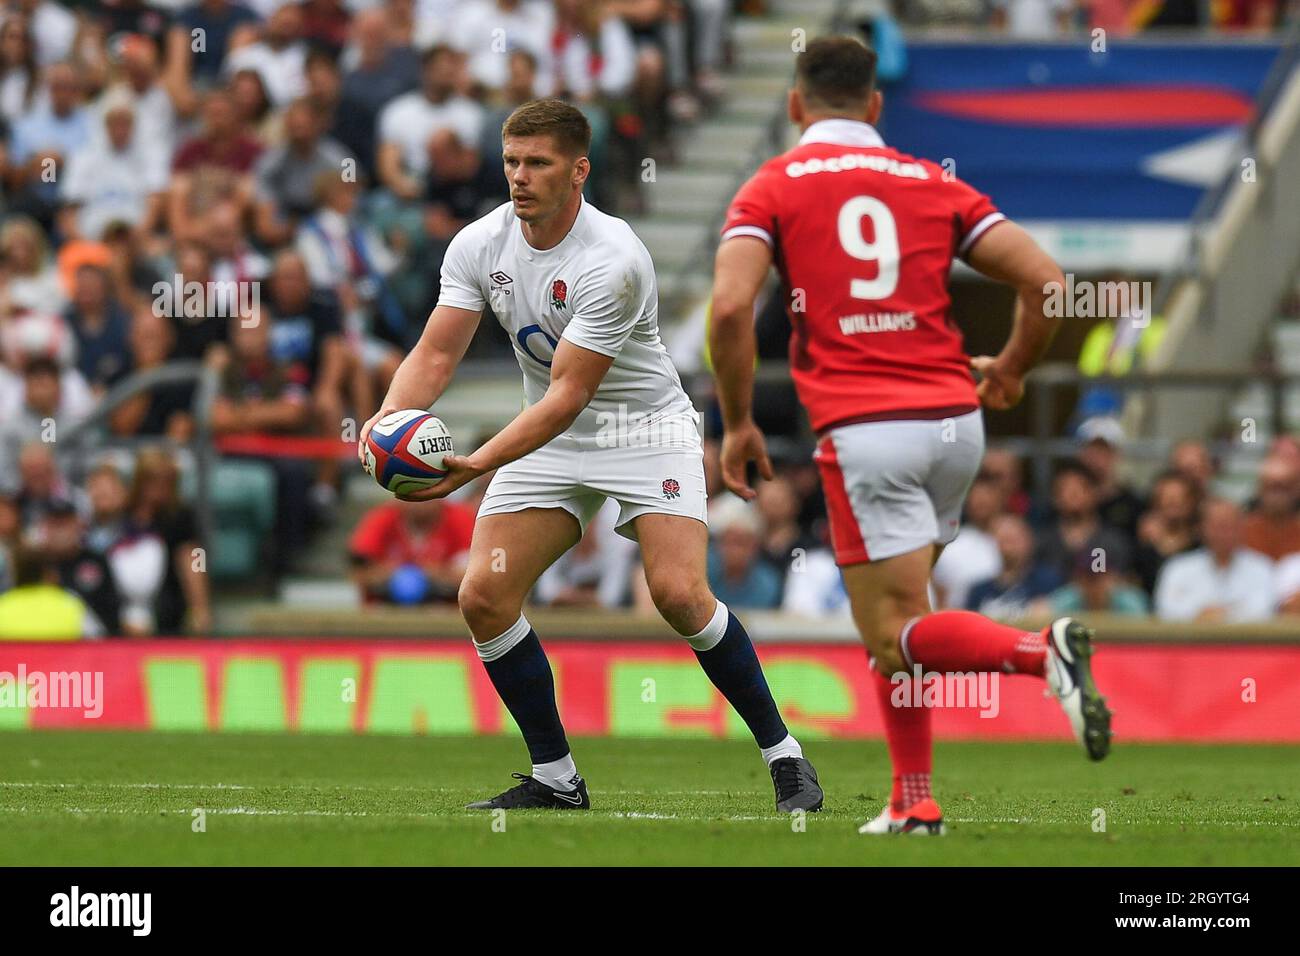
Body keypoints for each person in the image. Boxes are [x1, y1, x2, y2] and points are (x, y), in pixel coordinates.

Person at [357, 97, 821, 814]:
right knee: (483, 595)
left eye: (537, 163)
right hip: (554, 436)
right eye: (512, 161)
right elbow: (436, 352)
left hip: (642, 430)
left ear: (579, 171)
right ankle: (556, 777)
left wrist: (476, 466)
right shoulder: (480, 244)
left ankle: (785, 756)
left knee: (679, 596)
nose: (519, 177)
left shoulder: (615, 259)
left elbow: (570, 393)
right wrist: (388, 416)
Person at [707, 36, 1110, 837]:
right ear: (877, 106)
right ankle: (913, 800)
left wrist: (742, 419)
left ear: (795, 104)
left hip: (867, 429)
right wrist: (1014, 369)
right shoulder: (933, 182)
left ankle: (1042, 656)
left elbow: (726, 310)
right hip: (958, 425)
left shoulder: (773, 185)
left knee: (890, 631)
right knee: (908, 624)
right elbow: (1048, 284)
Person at [1154, 497, 1276, 623]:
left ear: (1241, 527)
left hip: (1244, 640)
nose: (1224, 533)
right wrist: (1200, 614)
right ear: (1202, 528)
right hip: (1191, 640)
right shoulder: (1177, 567)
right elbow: (1166, 610)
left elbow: (1264, 611)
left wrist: (1224, 615)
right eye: (1217, 526)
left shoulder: (1262, 567)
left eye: (1230, 526)